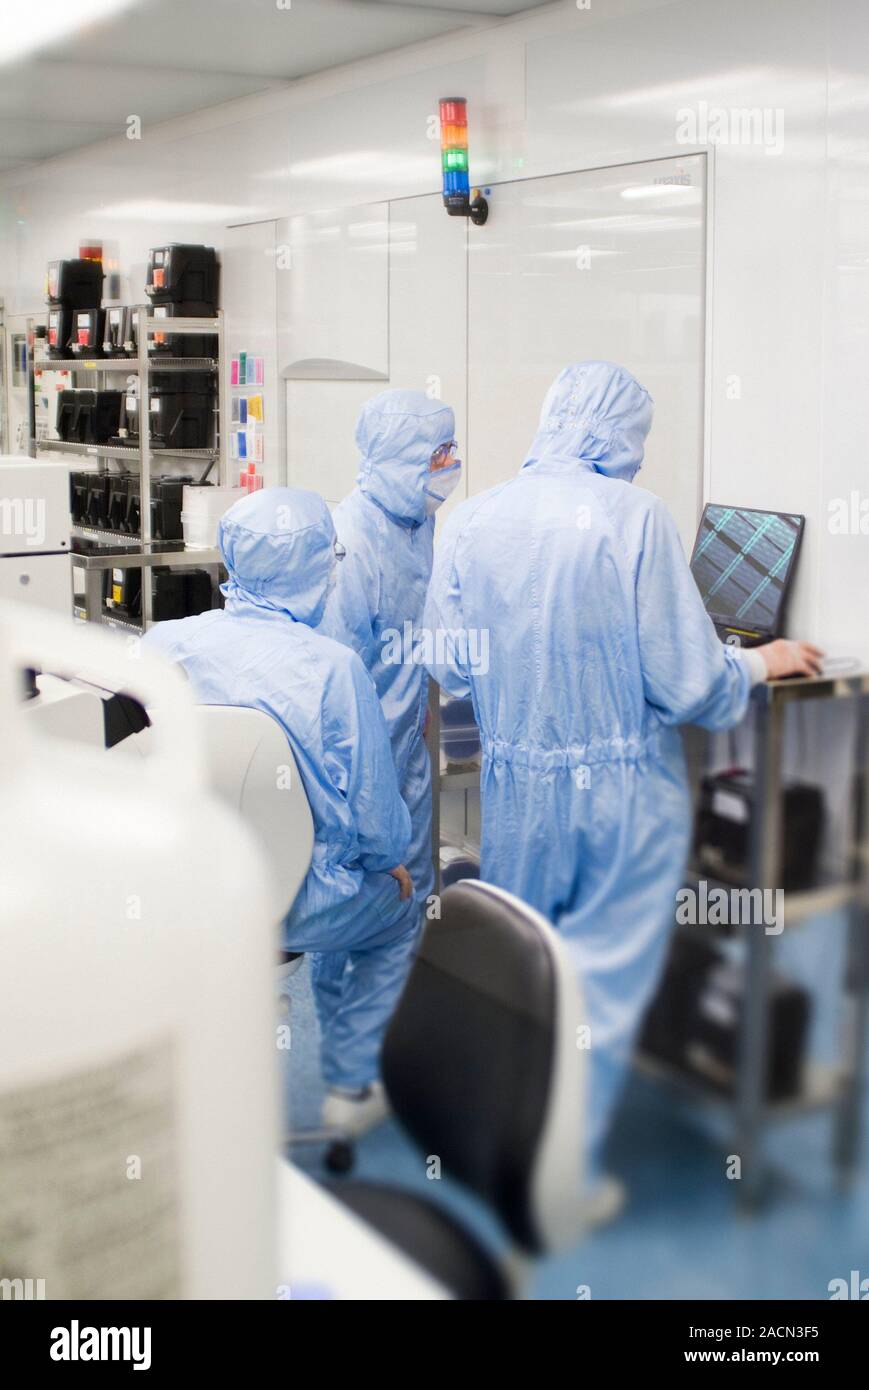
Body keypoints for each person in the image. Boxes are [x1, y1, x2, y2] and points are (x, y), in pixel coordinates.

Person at [423, 360, 822, 1192]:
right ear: (617, 438)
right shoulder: (634, 518)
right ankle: (560, 1179)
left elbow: (452, 669)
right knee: (597, 988)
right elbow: (687, 686)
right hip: (620, 795)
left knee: (525, 964)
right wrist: (760, 664)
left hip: (516, 790)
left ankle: (505, 1136)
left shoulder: (471, 520)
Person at [142, 487, 418, 1137]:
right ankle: (348, 1086)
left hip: (188, 886)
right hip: (300, 897)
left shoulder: (164, 643)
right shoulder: (332, 668)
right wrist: (391, 866)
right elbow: (378, 821)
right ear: (313, 568)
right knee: (400, 910)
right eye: (330, 561)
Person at [316, 389, 460, 1014]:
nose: (448, 468)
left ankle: (404, 1031)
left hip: (408, 740)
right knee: (360, 893)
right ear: (400, 459)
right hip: (362, 757)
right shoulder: (351, 539)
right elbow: (336, 679)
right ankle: (344, 1049)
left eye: (451, 453)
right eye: (438, 456)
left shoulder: (418, 519)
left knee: (412, 891)